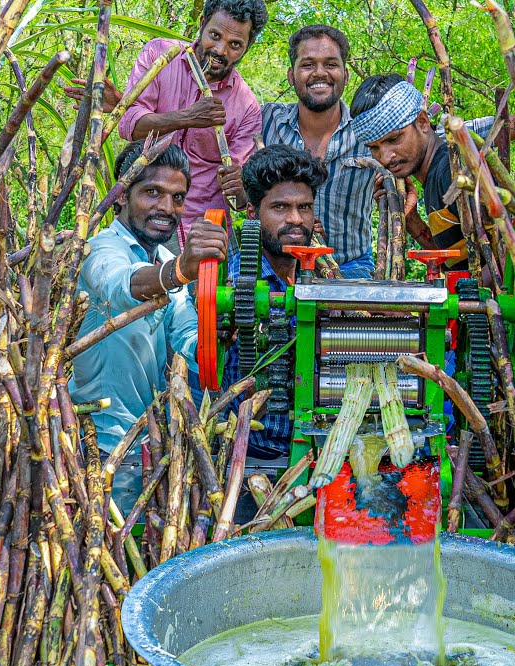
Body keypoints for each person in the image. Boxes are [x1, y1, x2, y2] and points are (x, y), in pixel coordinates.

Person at [69, 141, 229, 506]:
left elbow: (190, 340)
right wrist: (178, 272)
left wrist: (217, 331)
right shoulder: (99, 249)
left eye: (177, 198)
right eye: (152, 193)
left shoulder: (167, 256)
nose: (166, 208)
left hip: (149, 443)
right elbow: (121, 285)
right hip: (99, 445)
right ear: (122, 195)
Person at [118, 0, 267, 234]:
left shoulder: (247, 105)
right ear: (202, 23)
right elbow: (129, 125)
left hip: (203, 230)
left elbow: (239, 200)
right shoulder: (160, 55)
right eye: (215, 35)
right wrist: (187, 117)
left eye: (235, 44)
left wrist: (239, 187)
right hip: (142, 221)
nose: (220, 50)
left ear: (248, 46)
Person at [222, 144, 329, 458]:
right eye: (280, 208)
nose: (295, 220)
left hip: (318, 449)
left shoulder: (325, 277)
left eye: (304, 208)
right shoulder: (237, 285)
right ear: (253, 213)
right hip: (257, 450)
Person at [351, 74, 515, 270]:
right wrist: (412, 221)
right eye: (374, 147)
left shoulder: (453, 172)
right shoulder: (434, 178)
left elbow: (510, 259)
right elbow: (459, 262)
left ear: (422, 122)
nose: (385, 157)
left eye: (394, 139)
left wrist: (470, 293)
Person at [259, 25, 374, 278]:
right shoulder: (265, 120)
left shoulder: (369, 131)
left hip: (350, 266)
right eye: (308, 64)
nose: (319, 73)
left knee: (355, 318)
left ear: (345, 73)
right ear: (291, 75)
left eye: (330, 64)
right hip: (274, 265)